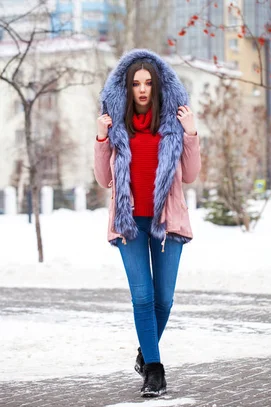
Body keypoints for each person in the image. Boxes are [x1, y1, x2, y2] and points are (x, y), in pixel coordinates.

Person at [93, 49, 201, 397]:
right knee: (142, 298)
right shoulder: (116, 127)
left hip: (167, 222)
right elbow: (103, 179)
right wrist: (101, 139)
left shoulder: (171, 126)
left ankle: (145, 351)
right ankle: (154, 371)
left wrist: (190, 134)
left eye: (148, 83)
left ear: (158, 87)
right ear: (126, 88)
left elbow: (191, 175)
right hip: (129, 224)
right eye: (136, 83)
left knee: (163, 300)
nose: (142, 89)